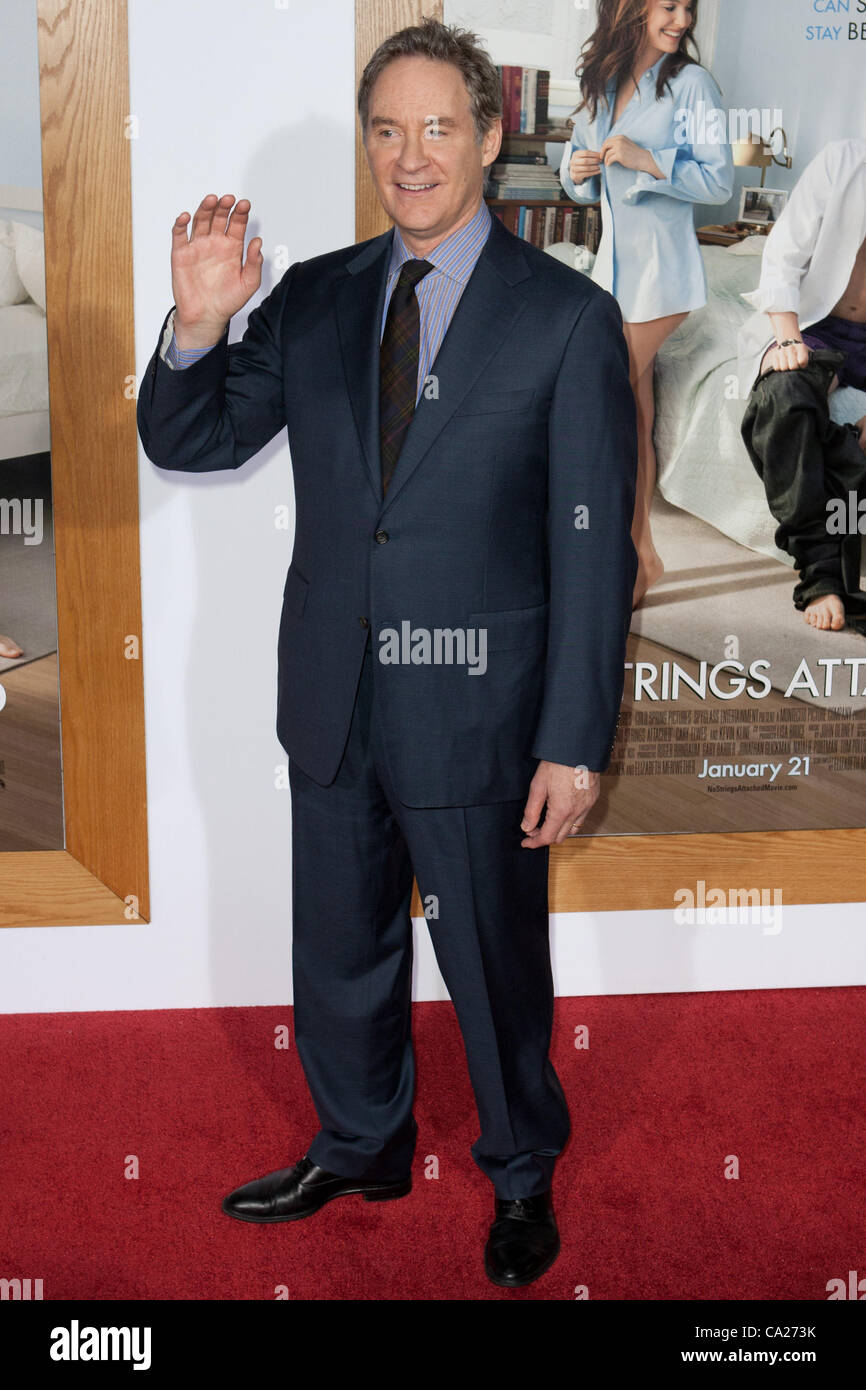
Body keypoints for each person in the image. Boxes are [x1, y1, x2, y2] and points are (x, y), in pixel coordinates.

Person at [137, 17, 637, 1289]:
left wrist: (572, 738)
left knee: (490, 961)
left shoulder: (567, 322)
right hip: (335, 695)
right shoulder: (314, 296)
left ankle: (520, 1172)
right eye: (386, 130)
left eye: (437, 129)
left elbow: (595, 552)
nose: (409, 157)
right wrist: (196, 326)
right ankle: (358, 1141)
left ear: (487, 137)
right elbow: (193, 443)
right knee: (340, 946)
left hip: (482, 712)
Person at [559, 0, 733, 606]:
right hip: (613, 272)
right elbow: (575, 175)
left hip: (665, 275)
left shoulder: (693, 85)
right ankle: (642, 555)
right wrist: (578, 169)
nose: (682, 19)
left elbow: (717, 181)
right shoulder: (602, 81)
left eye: (688, 8)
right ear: (631, 9)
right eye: (669, 6)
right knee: (633, 408)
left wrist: (647, 160)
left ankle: (627, 551)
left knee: (610, 400)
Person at [738, 139, 866, 634]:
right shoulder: (841, 162)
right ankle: (821, 574)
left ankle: (843, 447)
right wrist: (788, 339)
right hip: (814, 323)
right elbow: (784, 255)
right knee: (783, 397)